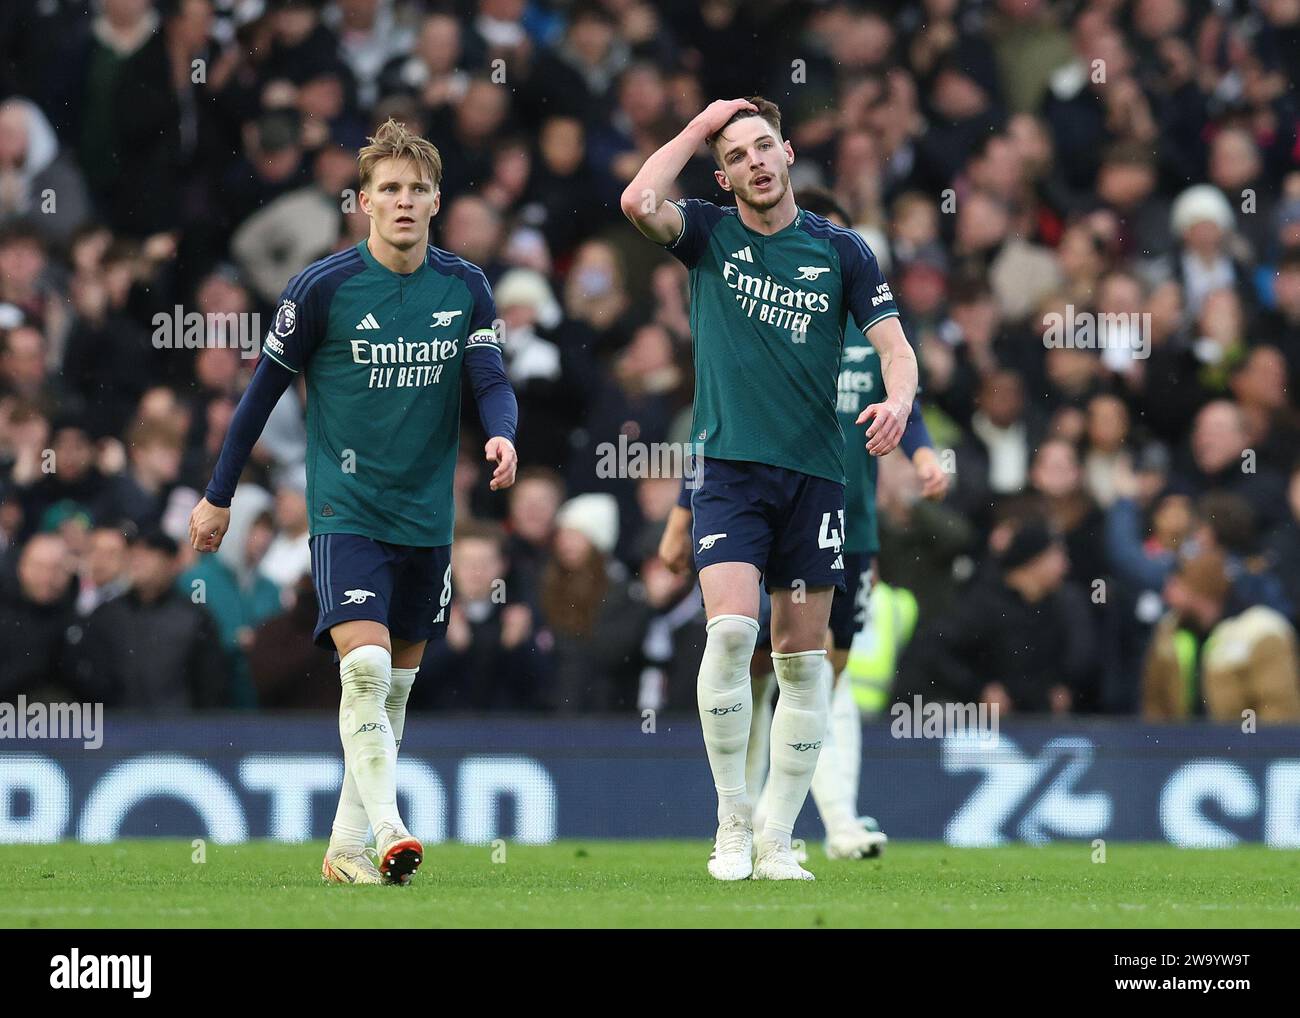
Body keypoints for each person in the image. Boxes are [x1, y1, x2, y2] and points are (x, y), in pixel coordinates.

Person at [188, 119, 519, 886]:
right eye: (390, 190)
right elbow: (257, 399)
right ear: (363, 200)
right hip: (348, 512)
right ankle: (392, 825)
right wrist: (217, 497)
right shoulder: (322, 288)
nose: (404, 202)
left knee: (392, 692)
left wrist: (502, 435)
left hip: (428, 518)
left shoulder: (464, 285)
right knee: (365, 671)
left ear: (436, 200)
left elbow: (492, 379)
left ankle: (343, 849)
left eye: (417, 190)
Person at [622, 97, 918, 880]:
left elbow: (896, 349)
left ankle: (780, 840)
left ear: (787, 153)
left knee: (802, 661)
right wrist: (693, 126)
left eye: (763, 147)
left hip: (816, 478)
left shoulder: (842, 251)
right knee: (729, 634)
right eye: (736, 155)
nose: (753, 162)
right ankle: (731, 822)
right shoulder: (708, 235)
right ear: (722, 175)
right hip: (728, 470)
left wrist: (899, 400)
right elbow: (637, 201)